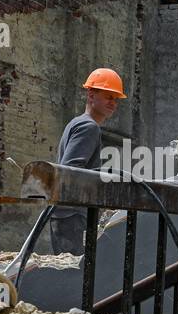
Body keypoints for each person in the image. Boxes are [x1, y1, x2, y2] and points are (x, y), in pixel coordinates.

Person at [49, 68, 124, 255]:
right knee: (77, 278)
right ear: (91, 95)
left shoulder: (77, 123)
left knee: (70, 277)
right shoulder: (89, 127)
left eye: (115, 99)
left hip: (65, 216)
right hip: (73, 217)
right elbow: (70, 172)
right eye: (108, 97)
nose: (113, 103)